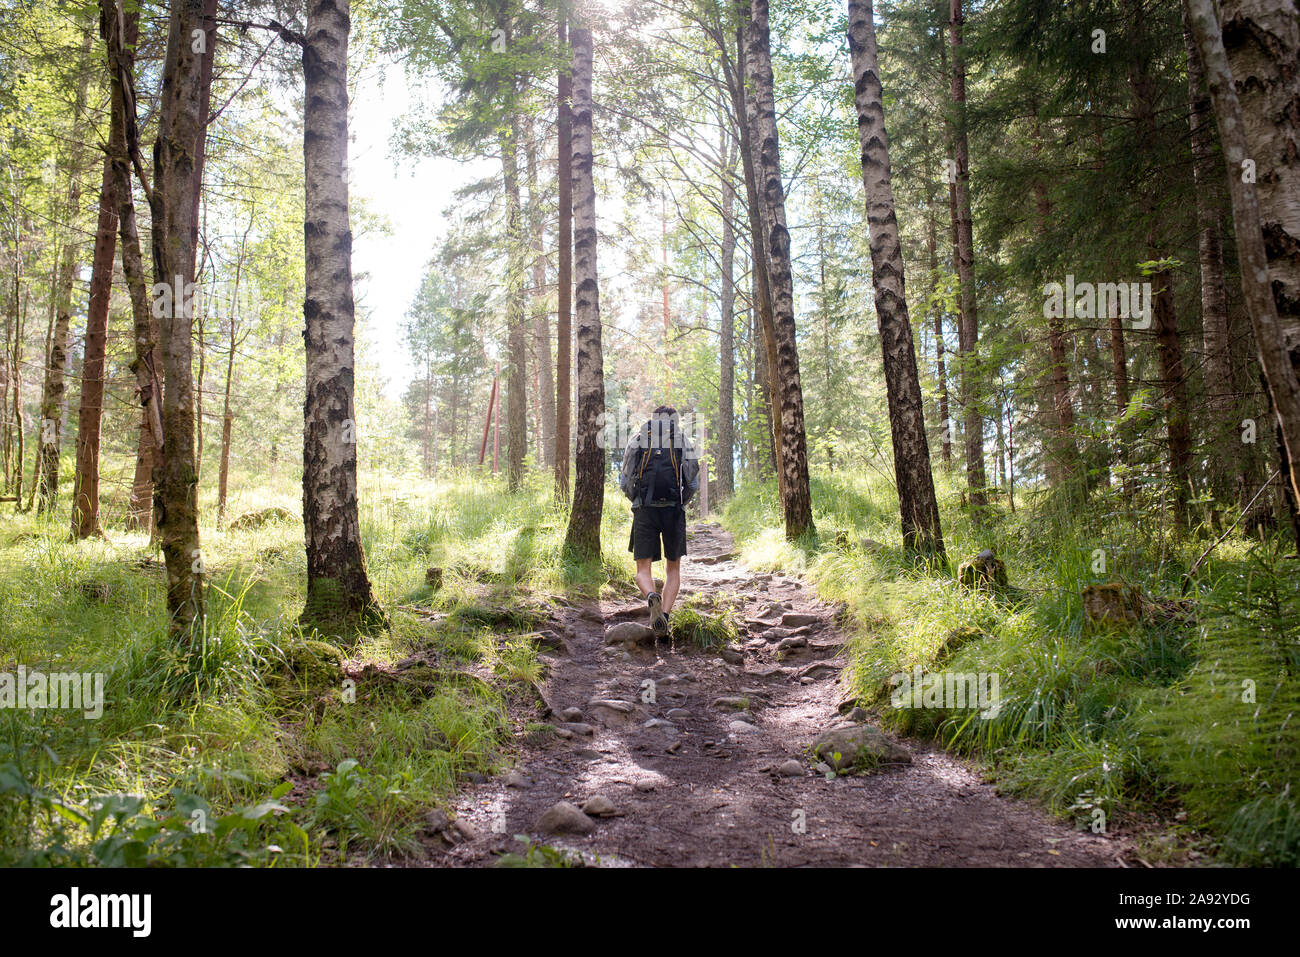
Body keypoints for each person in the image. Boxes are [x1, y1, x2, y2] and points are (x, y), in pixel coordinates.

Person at [618, 405, 699, 636]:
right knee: (673, 569)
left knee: (642, 568)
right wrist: (681, 503)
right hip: (673, 510)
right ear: (675, 421)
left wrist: (637, 501)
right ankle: (663, 616)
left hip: (645, 509)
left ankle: (651, 596)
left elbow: (624, 482)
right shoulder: (682, 439)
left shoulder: (639, 437)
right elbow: (692, 483)